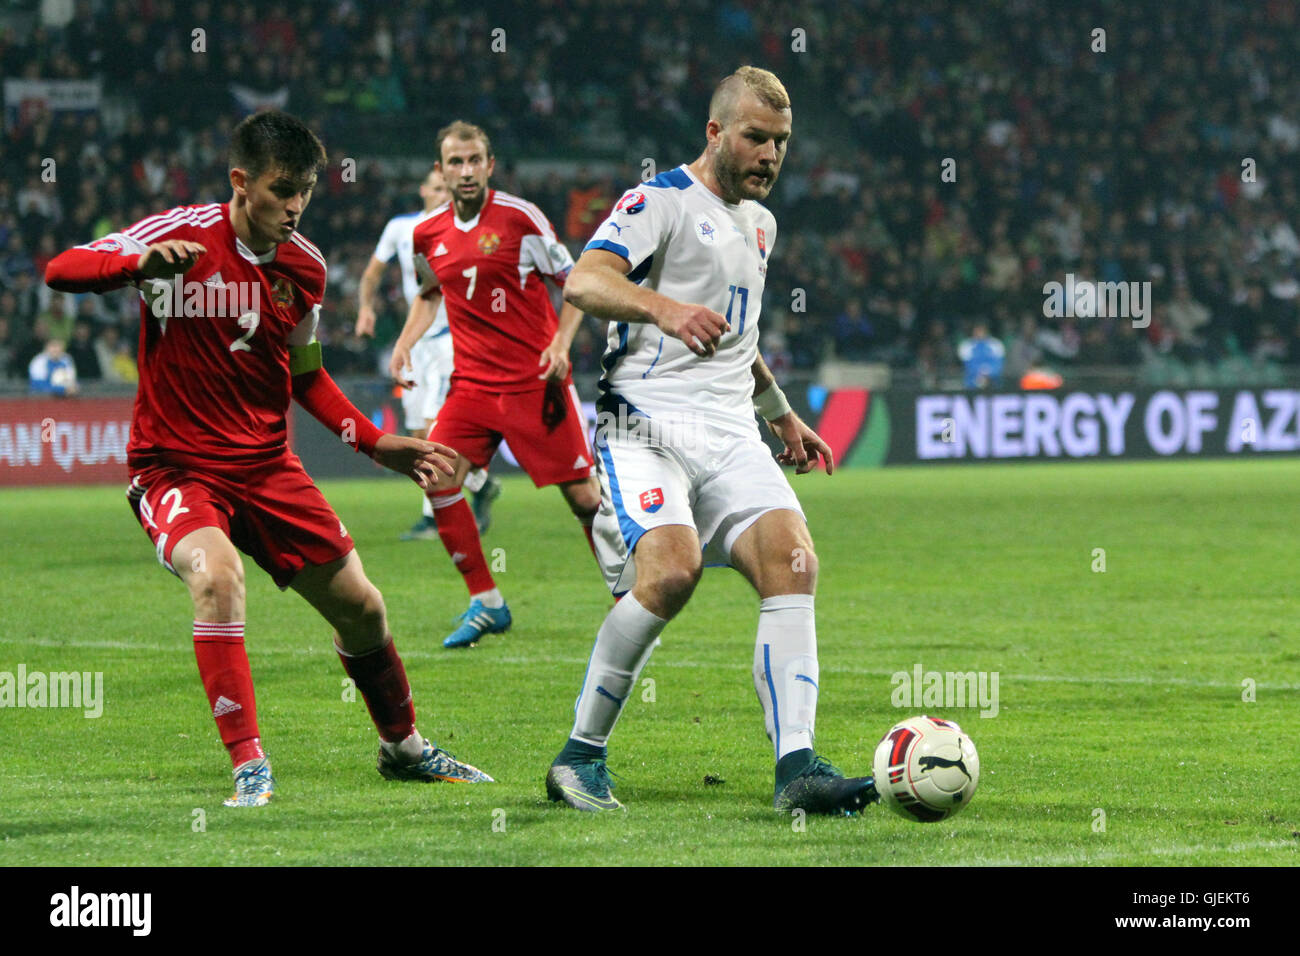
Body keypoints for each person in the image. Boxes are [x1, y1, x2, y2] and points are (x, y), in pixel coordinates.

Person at [45, 109, 493, 808]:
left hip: (266, 467)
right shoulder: (178, 234)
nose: (295, 206)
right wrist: (133, 265)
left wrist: (380, 445)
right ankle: (249, 762)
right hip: (175, 467)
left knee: (364, 610)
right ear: (241, 181)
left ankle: (403, 748)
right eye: (283, 190)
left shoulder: (305, 268)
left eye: (307, 191)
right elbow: (61, 269)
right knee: (217, 578)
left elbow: (305, 375)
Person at [545, 67, 878, 815]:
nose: (769, 155)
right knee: (670, 574)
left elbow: (739, 335)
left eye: (782, 143)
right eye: (756, 138)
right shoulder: (657, 201)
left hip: (729, 429)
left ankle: (797, 769)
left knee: (794, 562)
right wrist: (662, 309)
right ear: (715, 132)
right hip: (645, 425)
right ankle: (579, 756)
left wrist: (781, 410)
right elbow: (586, 282)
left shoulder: (761, 226)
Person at [392, 120, 602, 649]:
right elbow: (427, 291)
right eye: (454, 163)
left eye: (474, 160)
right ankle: (486, 600)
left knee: (583, 499)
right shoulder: (427, 233)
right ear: (440, 170)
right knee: (437, 476)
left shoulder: (520, 219)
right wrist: (404, 343)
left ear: (490, 165)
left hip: (534, 384)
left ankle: (631, 604)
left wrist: (560, 344)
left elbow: (575, 284)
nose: (465, 171)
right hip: (472, 388)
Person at [354, 167, 502, 541]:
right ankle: (481, 482)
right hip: (416, 338)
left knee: (438, 426)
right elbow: (372, 273)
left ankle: (432, 517)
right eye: (434, 188)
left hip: (452, 340)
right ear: (422, 190)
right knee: (419, 430)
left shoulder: (462, 230)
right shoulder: (401, 228)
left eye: (444, 190)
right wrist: (365, 308)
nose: (440, 195)